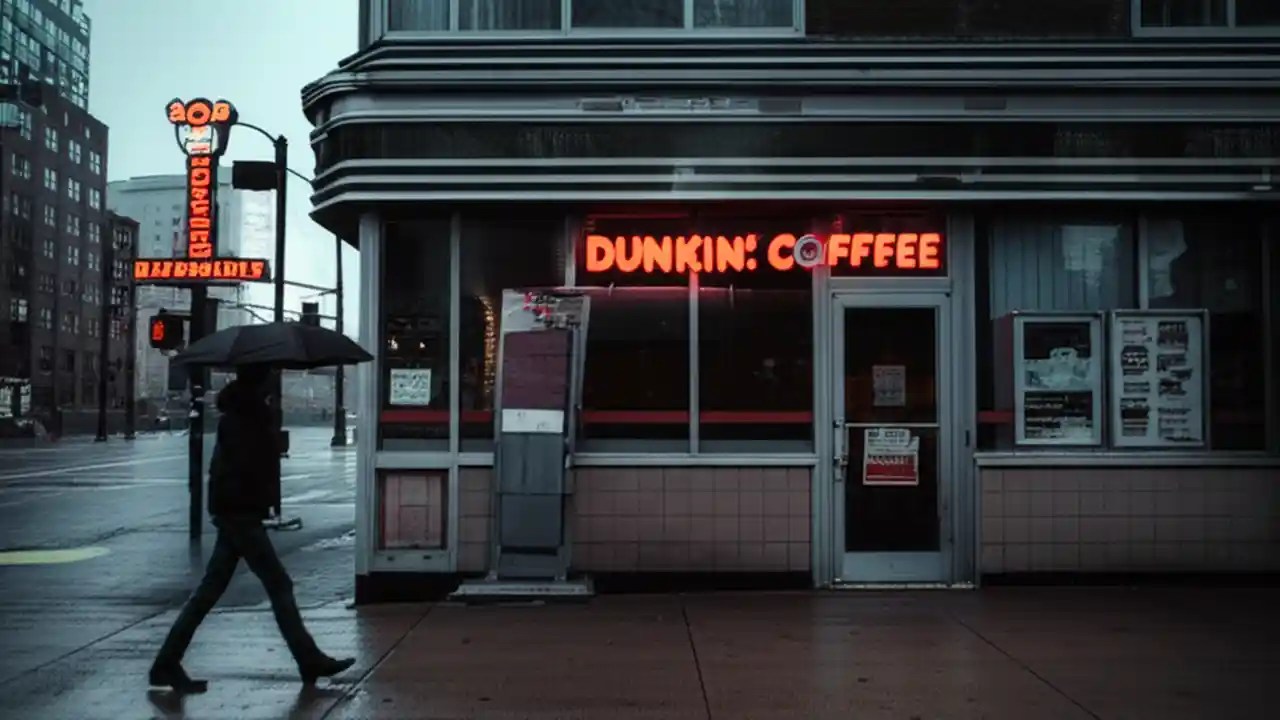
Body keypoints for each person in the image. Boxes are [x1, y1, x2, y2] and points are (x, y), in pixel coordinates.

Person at [149, 364, 354, 693]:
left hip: (236, 513)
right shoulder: (250, 417)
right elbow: (250, 467)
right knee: (278, 584)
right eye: (271, 375)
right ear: (261, 381)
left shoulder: (243, 415)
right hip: (241, 515)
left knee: (209, 593)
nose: (275, 379)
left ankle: (166, 663)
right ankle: (309, 659)